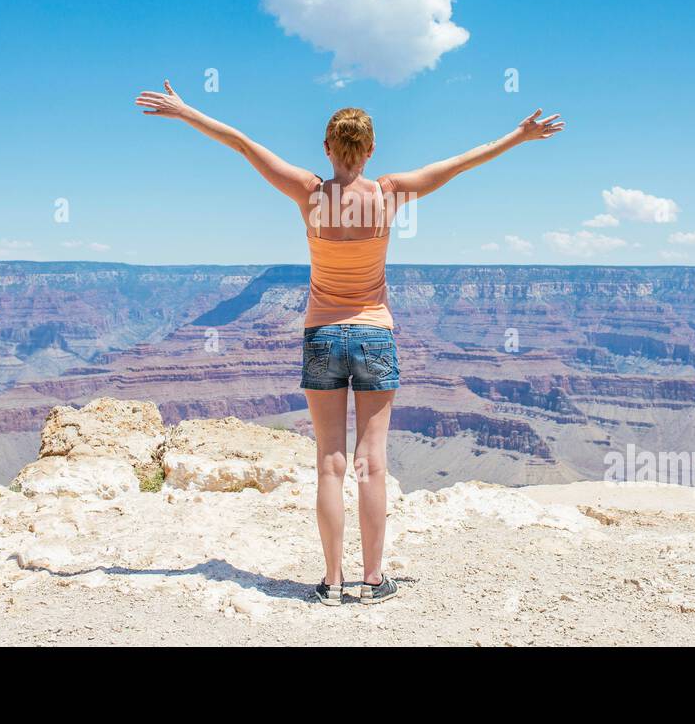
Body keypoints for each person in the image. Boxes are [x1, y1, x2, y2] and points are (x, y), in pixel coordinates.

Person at [136, 80, 564, 605]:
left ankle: (332, 582)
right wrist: (518, 136)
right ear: (371, 149)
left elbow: (243, 144)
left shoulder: (309, 193)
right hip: (373, 334)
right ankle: (372, 579)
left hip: (321, 335)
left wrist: (185, 112)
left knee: (329, 463)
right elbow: (457, 164)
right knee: (372, 462)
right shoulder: (388, 195)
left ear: (327, 148)